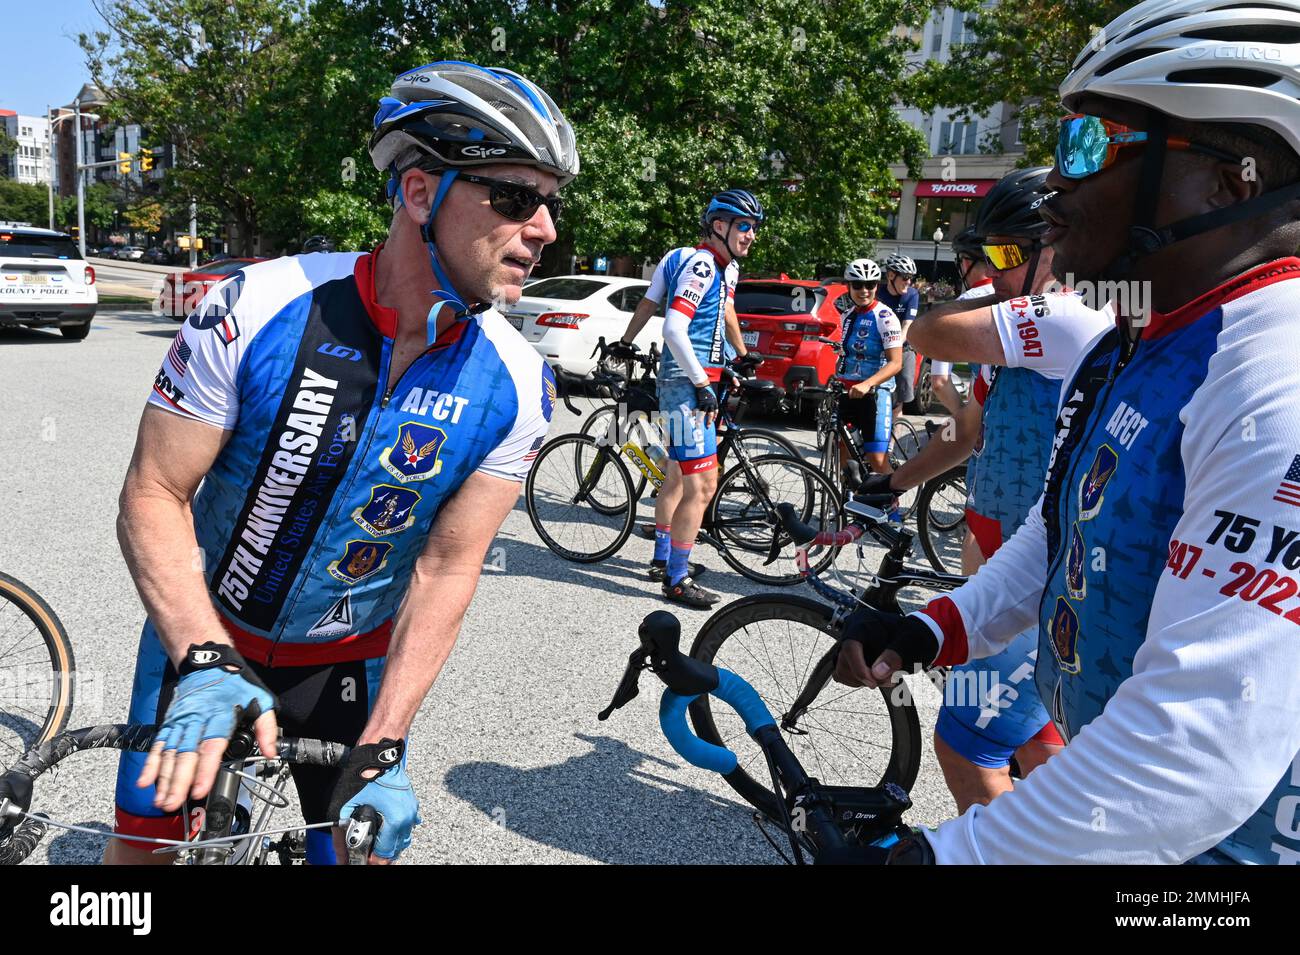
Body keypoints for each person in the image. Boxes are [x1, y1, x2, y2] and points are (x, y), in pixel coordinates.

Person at [842, 0, 1300, 864]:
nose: (1055, 185)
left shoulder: (1278, 367)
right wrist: (935, 628)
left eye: (1090, 145)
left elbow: (1199, 751)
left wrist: (944, 858)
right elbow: (1067, 527)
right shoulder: (1149, 332)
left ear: (1230, 179)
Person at [98, 61, 576, 865]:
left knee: (362, 856)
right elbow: (153, 490)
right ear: (420, 193)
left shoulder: (519, 383)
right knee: (138, 858)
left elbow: (451, 568)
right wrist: (202, 653)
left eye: (551, 203)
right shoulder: (257, 305)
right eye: (515, 198)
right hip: (208, 637)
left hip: (347, 664)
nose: (545, 229)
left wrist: (387, 740)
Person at [857, 168, 1112, 812]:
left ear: (1053, 248)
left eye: (1004, 255)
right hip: (1009, 576)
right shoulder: (1029, 336)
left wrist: (978, 296)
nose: (990, 274)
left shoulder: (1066, 316)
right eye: (986, 256)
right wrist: (894, 481)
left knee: (968, 739)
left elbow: (926, 330)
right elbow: (968, 431)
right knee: (1042, 748)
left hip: (1036, 582)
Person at [611, 190, 761, 607]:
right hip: (685, 384)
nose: (751, 236)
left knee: (678, 474)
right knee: (703, 483)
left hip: (697, 380)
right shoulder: (699, 264)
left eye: (754, 229)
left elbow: (718, 316)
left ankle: (664, 558)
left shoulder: (717, 265)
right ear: (719, 226)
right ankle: (677, 578)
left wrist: (738, 359)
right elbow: (673, 328)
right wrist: (699, 383)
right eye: (744, 227)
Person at [835, 258, 901, 483]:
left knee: (876, 457)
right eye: (858, 285)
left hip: (875, 393)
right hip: (848, 390)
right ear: (848, 286)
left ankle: (891, 510)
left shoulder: (885, 316)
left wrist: (867, 384)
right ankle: (847, 500)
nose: (864, 290)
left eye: (870, 285)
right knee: (843, 448)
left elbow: (895, 363)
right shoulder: (848, 315)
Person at [927, 227, 992, 416]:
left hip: (980, 415)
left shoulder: (959, 308)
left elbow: (939, 382)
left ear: (965, 263)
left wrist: (962, 418)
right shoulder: (1018, 300)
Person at [877, 253, 920, 409]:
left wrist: (893, 346)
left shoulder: (912, 295)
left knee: (898, 404)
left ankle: (896, 429)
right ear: (890, 275)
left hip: (903, 349)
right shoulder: (877, 294)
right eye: (905, 277)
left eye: (911, 278)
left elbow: (907, 326)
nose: (909, 282)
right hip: (878, 348)